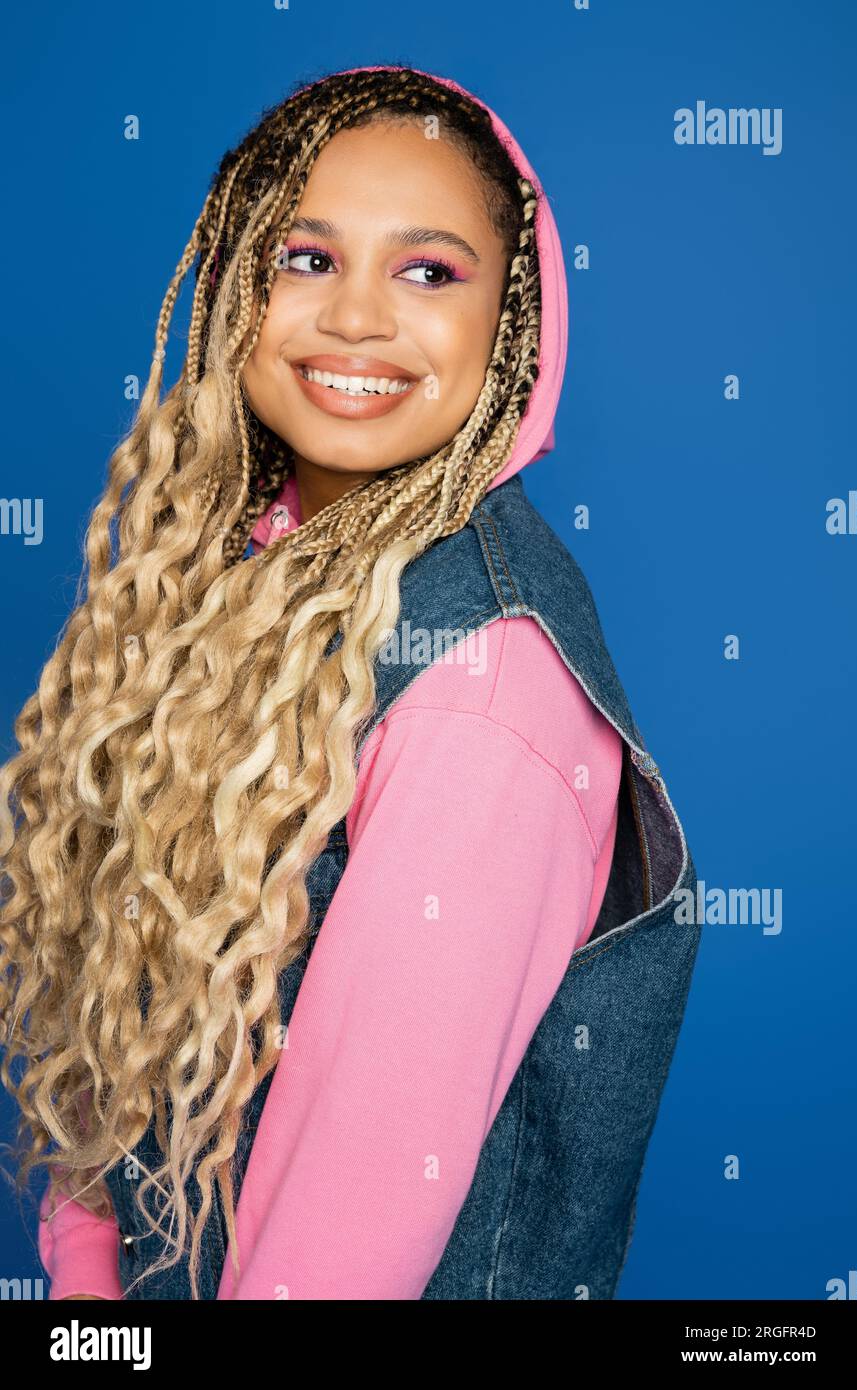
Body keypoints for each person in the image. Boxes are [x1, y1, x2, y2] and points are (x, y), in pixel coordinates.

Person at [0, 64, 700, 1302]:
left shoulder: (482, 687)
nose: (356, 320)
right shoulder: (247, 574)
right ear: (232, 288)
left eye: (427, 272)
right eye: (306, 258)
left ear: (512, 327)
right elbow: (109, 1099)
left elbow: (331, 1263)